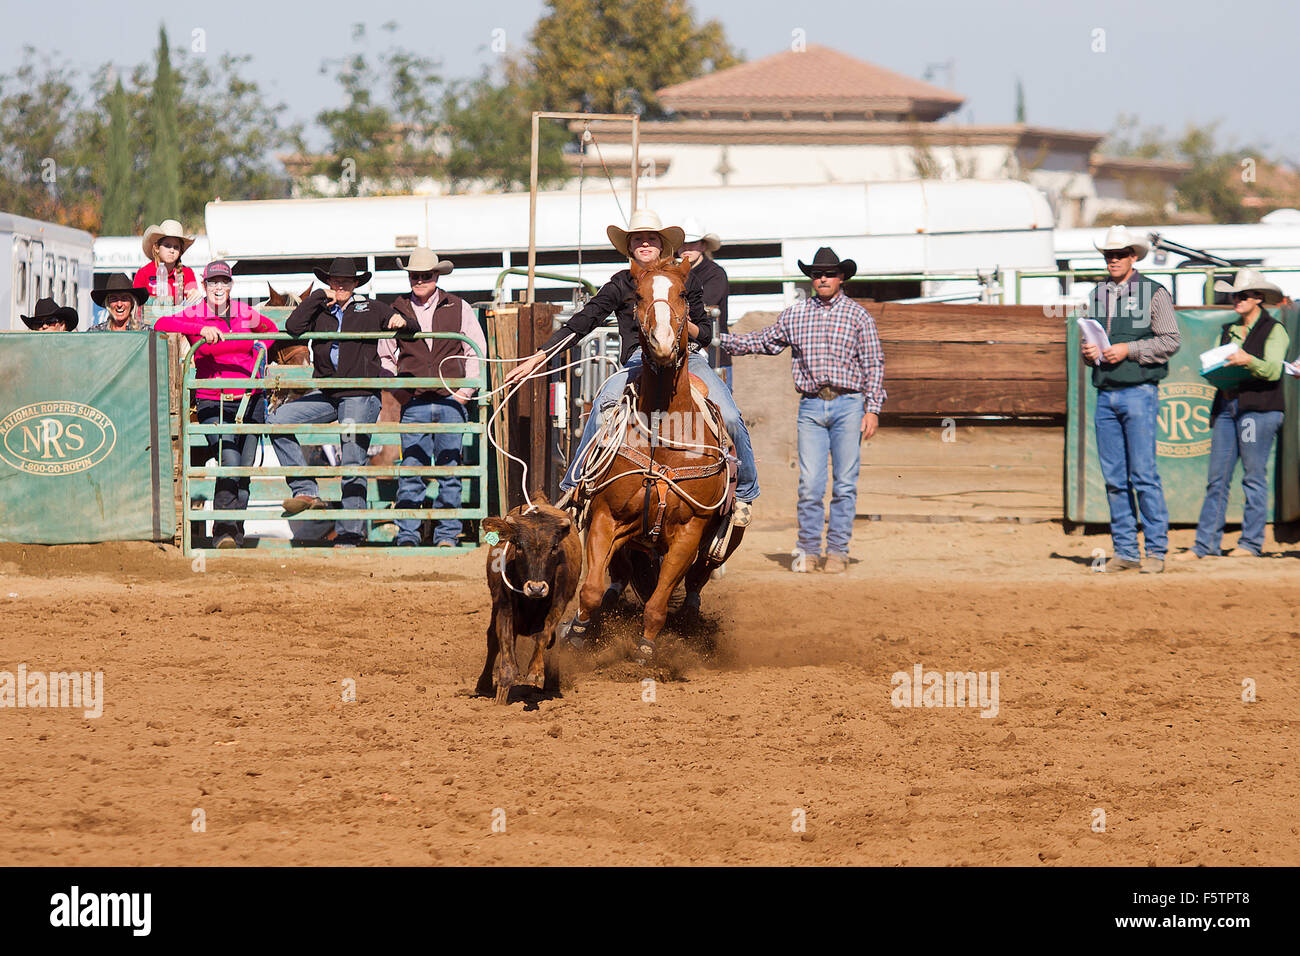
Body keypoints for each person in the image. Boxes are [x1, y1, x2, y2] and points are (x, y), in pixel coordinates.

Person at [505, 208, 759, 525]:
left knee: (731, 416)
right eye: (637, 239)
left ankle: (745, 493)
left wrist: (680, 324)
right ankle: (573, 489)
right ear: (629, 247)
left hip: (688, 357)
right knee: (601, 409)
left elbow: (705, 334)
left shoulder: (685, 279)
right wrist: (538, 357)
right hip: (640, 360)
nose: (644, 243)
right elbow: (583, 321)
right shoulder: (620, 284)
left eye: (650, 238)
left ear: (662, 245)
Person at [718, 247, 884, 574]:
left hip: (849, 403)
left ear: (841, 278)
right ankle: (808, 548)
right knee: (810, 482)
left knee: (845, 482)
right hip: (810, 404)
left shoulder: (858, 316)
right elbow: (762, 341)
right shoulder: (797, 315)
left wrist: (872, 409)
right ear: (811, 279)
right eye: (817, 273)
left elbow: (873, 364)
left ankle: (837, 550)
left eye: (829, 273)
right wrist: (714, 339)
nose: (823, 278)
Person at [268, 257, 414, 547]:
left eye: (346, 281)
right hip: (329, 395)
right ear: (328, 283)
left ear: (356, 283)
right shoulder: (319, 309)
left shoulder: (370, 308)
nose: (340, 286)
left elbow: (408, 324)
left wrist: (402, 321)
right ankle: (305, 489)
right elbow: (293, 325)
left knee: (351, 457)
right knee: (276, 419)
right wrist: (319, 297)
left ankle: (350, 532)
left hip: (359, 395)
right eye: (335, 281)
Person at [153, 261, 279, 549]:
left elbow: (271, 329)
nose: (218, 288)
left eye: (224, 282)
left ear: (231, 285)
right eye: (213, 283)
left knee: (243, 470)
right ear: (205, 285)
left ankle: (235, 534)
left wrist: (261, 347)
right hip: (213, 399)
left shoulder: (244, 313)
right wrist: (201, 328)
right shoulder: (196, 313)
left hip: (250, 399)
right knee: (229, 462)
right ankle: (222, 531)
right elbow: (162, 324)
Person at [1081, 225, 1181, 574]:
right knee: (1114, 478)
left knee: (1142, 475)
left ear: (1133, 256)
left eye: (1119, 254)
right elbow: (1092, 343)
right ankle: (1126, 550)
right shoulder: (1097, 295)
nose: (1113, 260)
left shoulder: (1155, 293)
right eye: (1109, 254)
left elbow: (1170, 341)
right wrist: (1090, 352)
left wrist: (1129, 349)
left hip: (1138, 390)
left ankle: (1155, 551)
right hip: (1107, 390)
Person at [1173, 270, 1289, 561]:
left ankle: (1250, 543)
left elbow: (1274, 370)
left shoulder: (1275, 330)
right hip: (1228, 406)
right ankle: (1206, 545)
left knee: (1252, 476)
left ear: (1257, 298)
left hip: (1259, 409)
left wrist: (1247, 360)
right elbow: (1213, 366)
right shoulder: (1227, 330)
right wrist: (1219, 377)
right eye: (1235, 295)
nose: (1235, 299)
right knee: (1217, 478)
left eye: (1242, 295)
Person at [378, 248, 487, 547]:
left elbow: (476, 350)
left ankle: (447, 535)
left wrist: (463, 394)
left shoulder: (459, 306)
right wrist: (401, 392)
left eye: (425, 275)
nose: (419, 280)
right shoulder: (396, 308)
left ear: (436, 276)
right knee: (411, 471)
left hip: (450, 402)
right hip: (414, 403)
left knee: (449, 471)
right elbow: (385, 356)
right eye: (415, 275)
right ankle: (409, 535)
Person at [678, 217, 732, 387]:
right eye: (683, 243)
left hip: (712, 353)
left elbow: (703, 307)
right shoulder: (673, 274)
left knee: (724, 411)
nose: (687, 248)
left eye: (692, 243)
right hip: (679, 354)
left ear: (702, 246)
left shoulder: (715, 274)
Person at [134, 220, 200, 305]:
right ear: (157, 248)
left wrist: (194, 295)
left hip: (178, 318)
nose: (172, 250)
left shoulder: (187, 273)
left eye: (176, 247)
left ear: (180, 251)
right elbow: (136, 305)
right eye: (167, 245)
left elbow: (193, 305)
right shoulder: (143, 273)